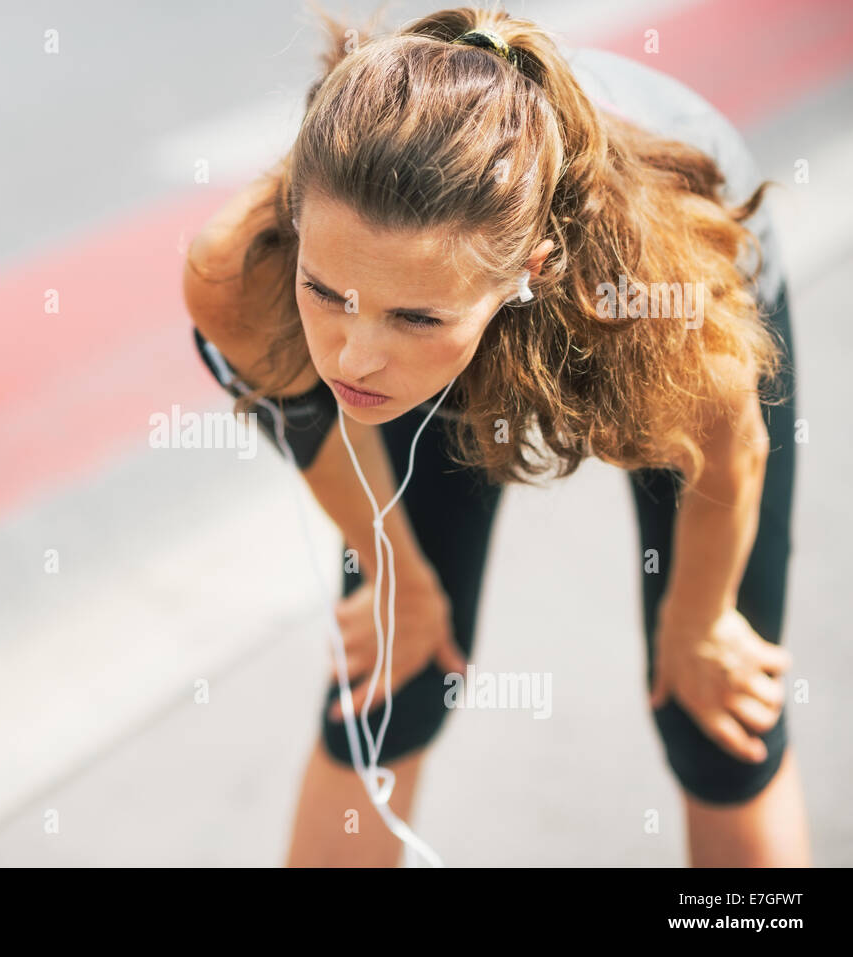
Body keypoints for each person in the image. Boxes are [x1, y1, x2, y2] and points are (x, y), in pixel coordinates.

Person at [182, 6, 810, 867]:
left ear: (532, 272)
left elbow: (729, 452)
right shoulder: (238, 268)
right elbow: (310, 427)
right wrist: (397, 572)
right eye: (324, 292)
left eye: (413, 316)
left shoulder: (664, 302)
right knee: (391, 678)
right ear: (296, 220)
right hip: (469, 284)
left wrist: (698, 621)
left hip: (659, 264)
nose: (353, 355)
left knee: (716, 715)